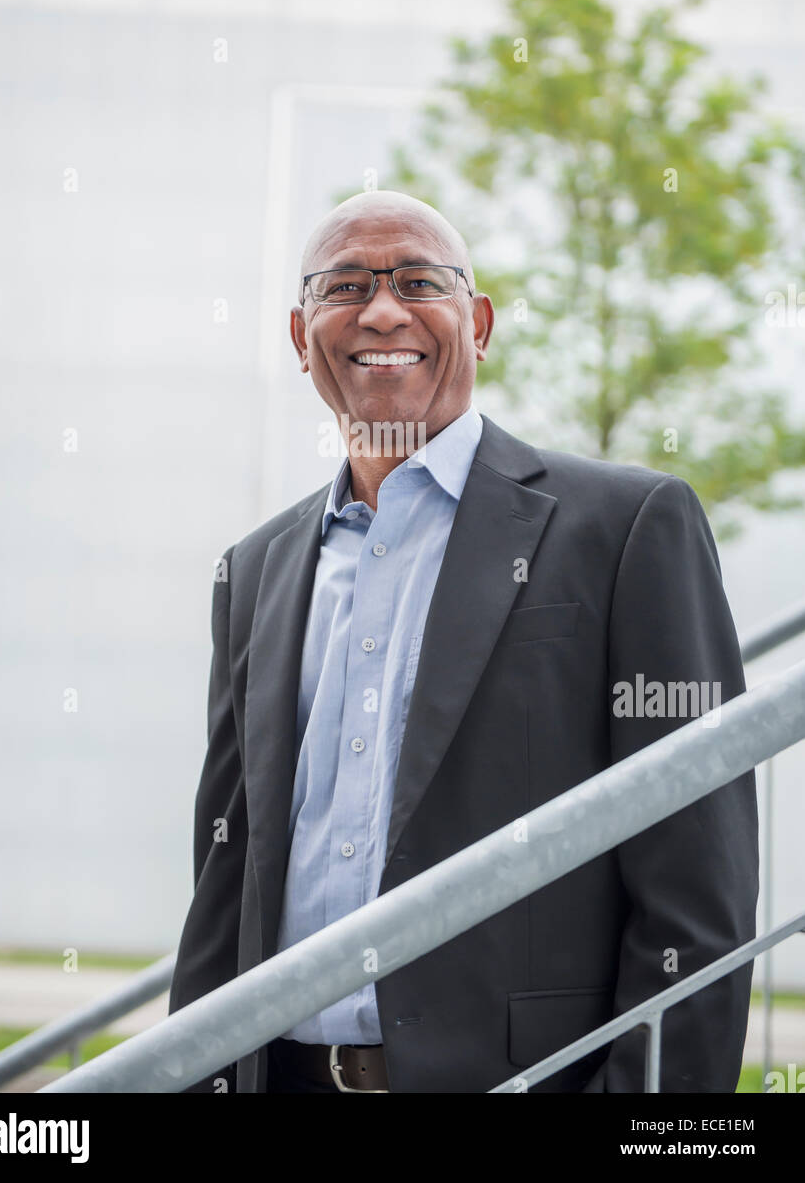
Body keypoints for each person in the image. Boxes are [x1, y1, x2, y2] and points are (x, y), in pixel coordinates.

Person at [168, 189, 758, 1093]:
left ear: (476, 325)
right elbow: (225, 879)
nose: (381, 312)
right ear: (300, 337)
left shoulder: (626, 528)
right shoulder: (255, 570)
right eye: (344, 286)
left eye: (417, 281)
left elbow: (698, 889)